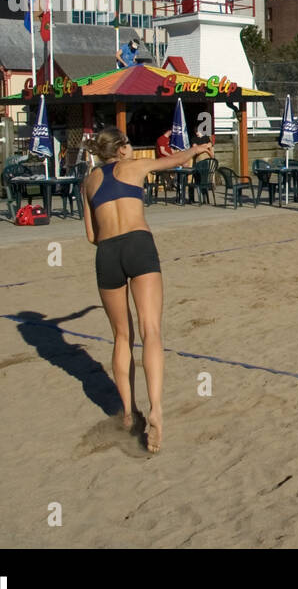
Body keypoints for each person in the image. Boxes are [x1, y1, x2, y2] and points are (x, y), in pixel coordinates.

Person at [82, 127, 214, 453]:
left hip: (107, 253)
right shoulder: (136, 166)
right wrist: (199, 149)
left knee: (121, 336)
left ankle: (128, 413)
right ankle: (155, 408)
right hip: (138, 245)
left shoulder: (89, 182)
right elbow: (176, 159)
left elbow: (91, 235)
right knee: (151, 331)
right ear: (123, 149)